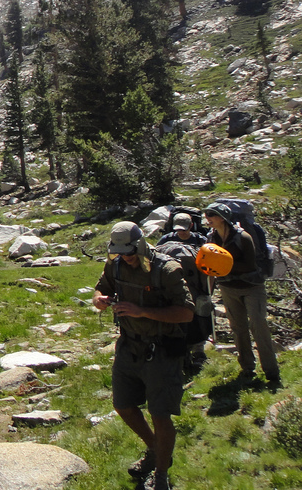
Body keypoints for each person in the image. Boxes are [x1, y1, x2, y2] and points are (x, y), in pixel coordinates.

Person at [93, 221, 195, 490]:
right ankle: (156, 448)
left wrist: (142, 312)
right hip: (129, 346)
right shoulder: (114, 266)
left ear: (139, 244)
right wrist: (100, 300)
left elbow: (186, 313)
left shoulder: (167, 270)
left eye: (129, 252)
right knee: (123, 405)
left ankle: (161, 474)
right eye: (120, 252)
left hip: (161, 349)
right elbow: (101, 289)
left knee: (160, 414)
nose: (125, 257)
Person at [203, 202, 280, 386]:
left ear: (222, 218)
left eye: (211, 216)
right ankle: (247, 368)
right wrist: (208, 292)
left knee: (259, 326)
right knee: (238, 328)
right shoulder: (211, 238)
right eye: (207, 216)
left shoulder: (244, 237)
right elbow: (210, 268)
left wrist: (224, 266)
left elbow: (250, 265)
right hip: (228, 288)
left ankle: (271, 372)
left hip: (252, 287)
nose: (208, 220)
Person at [155, 212, 211, 372]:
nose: (181, 233)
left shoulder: (201, 240)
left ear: (191, 226)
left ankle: (199, 351)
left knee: (200, 316)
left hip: (197, 285)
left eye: (184, 230)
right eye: (178, 230)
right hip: (174, 286)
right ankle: (181, 353)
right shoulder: (166, 240)